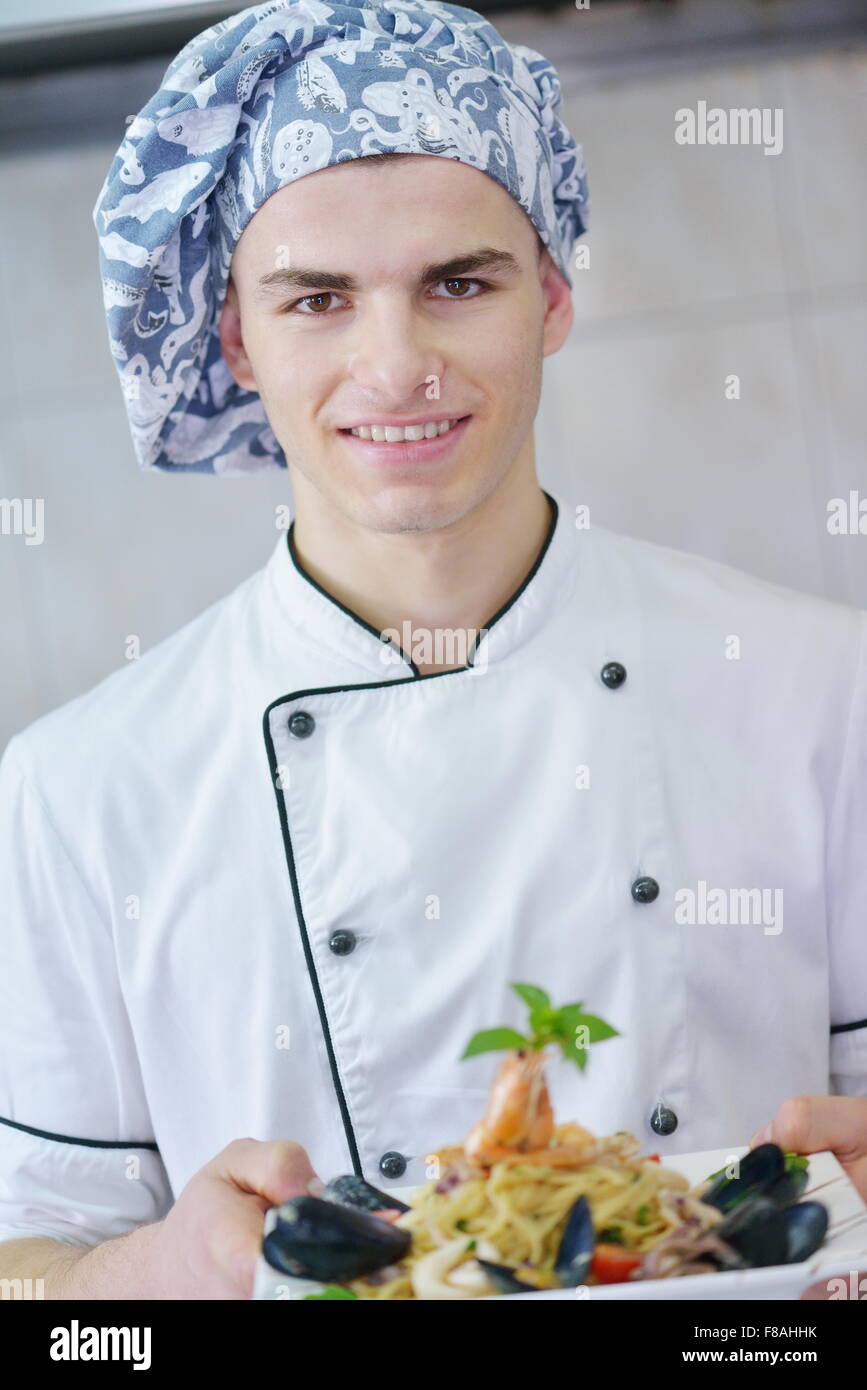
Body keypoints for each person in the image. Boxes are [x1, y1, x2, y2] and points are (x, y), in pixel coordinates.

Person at [1, 0, 865, 1302]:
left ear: (555, 297)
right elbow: (29, 1259)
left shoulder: (819, 688)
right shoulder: (79, 790)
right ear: (236, 336)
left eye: (459, 283)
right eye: (318, 299)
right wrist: (145, 1269)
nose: (395, 366)